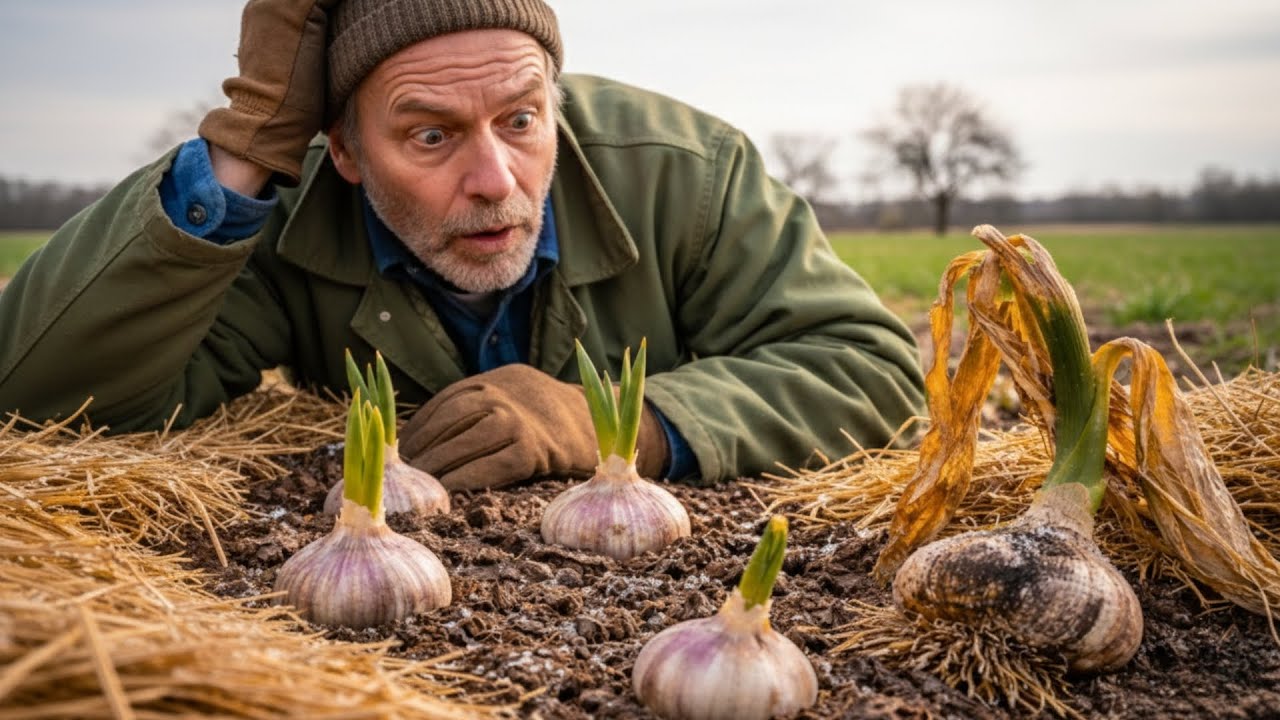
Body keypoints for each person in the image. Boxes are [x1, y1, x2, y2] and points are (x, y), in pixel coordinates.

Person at [0, 0, 925, 489]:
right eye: (431, 136)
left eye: (521, 119)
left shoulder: (687, 172)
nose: (495, 179)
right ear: (348, 152)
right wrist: (242, 153)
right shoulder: (288, 218)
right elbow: (42, 405)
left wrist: (615, 424)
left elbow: (868, 367)